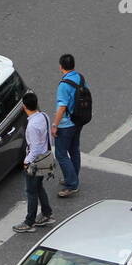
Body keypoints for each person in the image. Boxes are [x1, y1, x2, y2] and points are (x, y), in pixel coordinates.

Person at [13, 91, 55, 233]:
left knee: (31, 191)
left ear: (24, 107)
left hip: (35, 162)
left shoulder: (31, 126)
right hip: (46, 158)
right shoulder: (44, 116)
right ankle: (46, 214)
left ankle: (29, 222)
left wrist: (26, 161)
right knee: (39, 187)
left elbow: (35, 148)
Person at [50, 53, 85, 197]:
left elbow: (62, 107)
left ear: (61, 66)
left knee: (61, 154)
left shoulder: (64, 85)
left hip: (66, 124)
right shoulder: (79, 77)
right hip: (79, 120)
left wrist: (54, 125)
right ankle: (73, 177)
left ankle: (72, 184)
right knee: (74, 150)